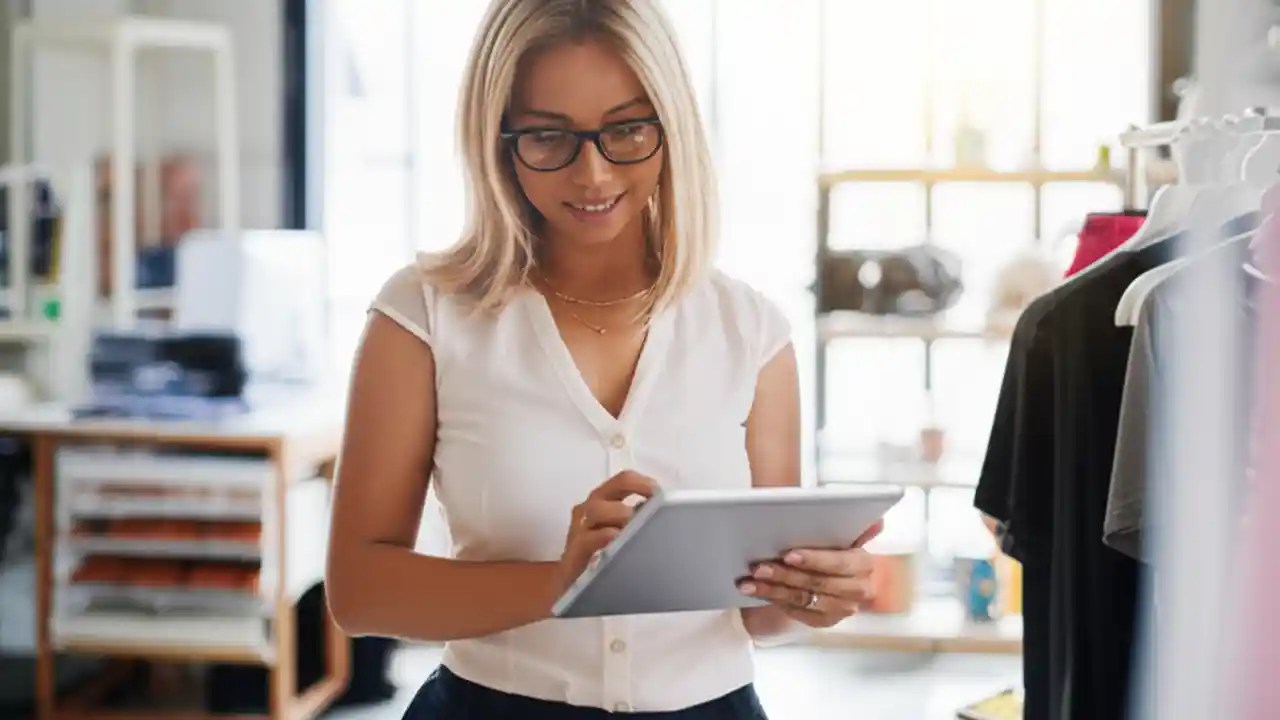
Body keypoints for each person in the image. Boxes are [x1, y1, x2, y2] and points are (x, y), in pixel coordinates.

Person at [324, 1, 881, 717]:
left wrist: (814, 594)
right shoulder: (424, 316)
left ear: (671, 127)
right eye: (549, 137)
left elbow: (758, 613)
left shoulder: (750, 331)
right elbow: (361, 593)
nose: (591, 173)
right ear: (496, 140)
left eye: (625, 129)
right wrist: (560, 582)